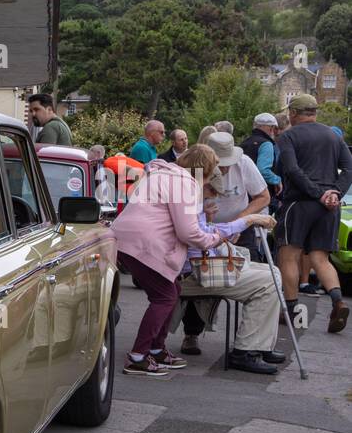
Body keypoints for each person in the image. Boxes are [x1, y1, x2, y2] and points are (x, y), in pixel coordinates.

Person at [111, 145, 273, 376]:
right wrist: (214, 239)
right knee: (165, 297)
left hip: (128, 239)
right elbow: (189, 233)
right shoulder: (186, 184)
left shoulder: (162, 173)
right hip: (145, 245)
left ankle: (156, 349)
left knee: (171, 292)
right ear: (205, 169)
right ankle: (138, 356)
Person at [273, 93, 352, 333]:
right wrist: (334, 193)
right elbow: (349, 168)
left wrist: (317, 193)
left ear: (294, 114)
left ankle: (291, 311)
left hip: (299, 203)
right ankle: (338, 301)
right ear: (315, 112)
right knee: (321, 258)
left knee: (288, 256)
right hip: (329, 207)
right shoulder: (333, 136)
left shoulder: (288, 136)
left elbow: (291, 169)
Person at [240, 112, 282, 199]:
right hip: (260, 195)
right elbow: (263, 170)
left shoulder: (245, 142)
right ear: (271, 128)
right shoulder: (266, 144)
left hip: (243, 193)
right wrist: (277, 180)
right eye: (274, 128)